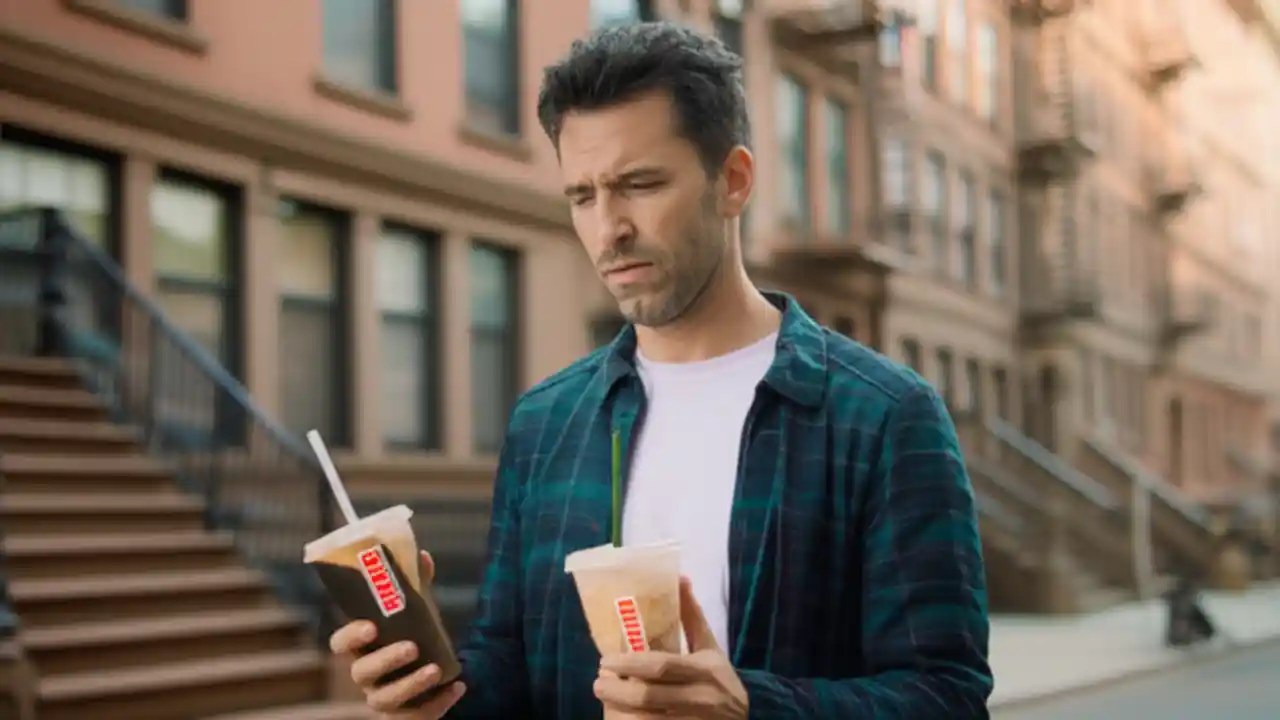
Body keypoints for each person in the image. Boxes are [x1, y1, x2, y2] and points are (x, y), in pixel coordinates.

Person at [329, 21, 993, 719]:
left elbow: (945, 696)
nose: (608, 228)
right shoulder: (545, 424)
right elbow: (510, 669)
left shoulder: (884, 418)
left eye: (639, 184)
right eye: (582, 196)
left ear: (733, 181)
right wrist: (437, 692)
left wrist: (748, 707)